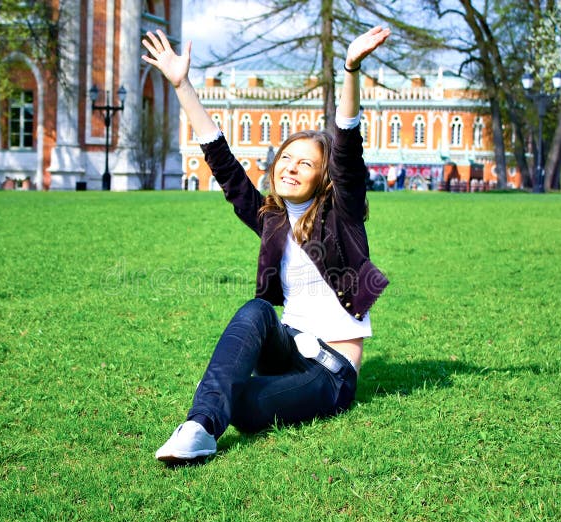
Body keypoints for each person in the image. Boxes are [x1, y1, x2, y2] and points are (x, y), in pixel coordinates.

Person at [142, 27, 390, 464]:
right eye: (287, 159)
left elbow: (348, 148)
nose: (292, 168)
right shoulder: (271, 219)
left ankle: (217, 410)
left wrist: (350, 69)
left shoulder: (342, 215)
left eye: (306, 163)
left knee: (244, 405)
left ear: (323, 177)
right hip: (285, 348)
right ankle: (199, 427)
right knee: (257, 310)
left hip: (329, 373)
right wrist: (183, 85)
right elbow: (222, 162)